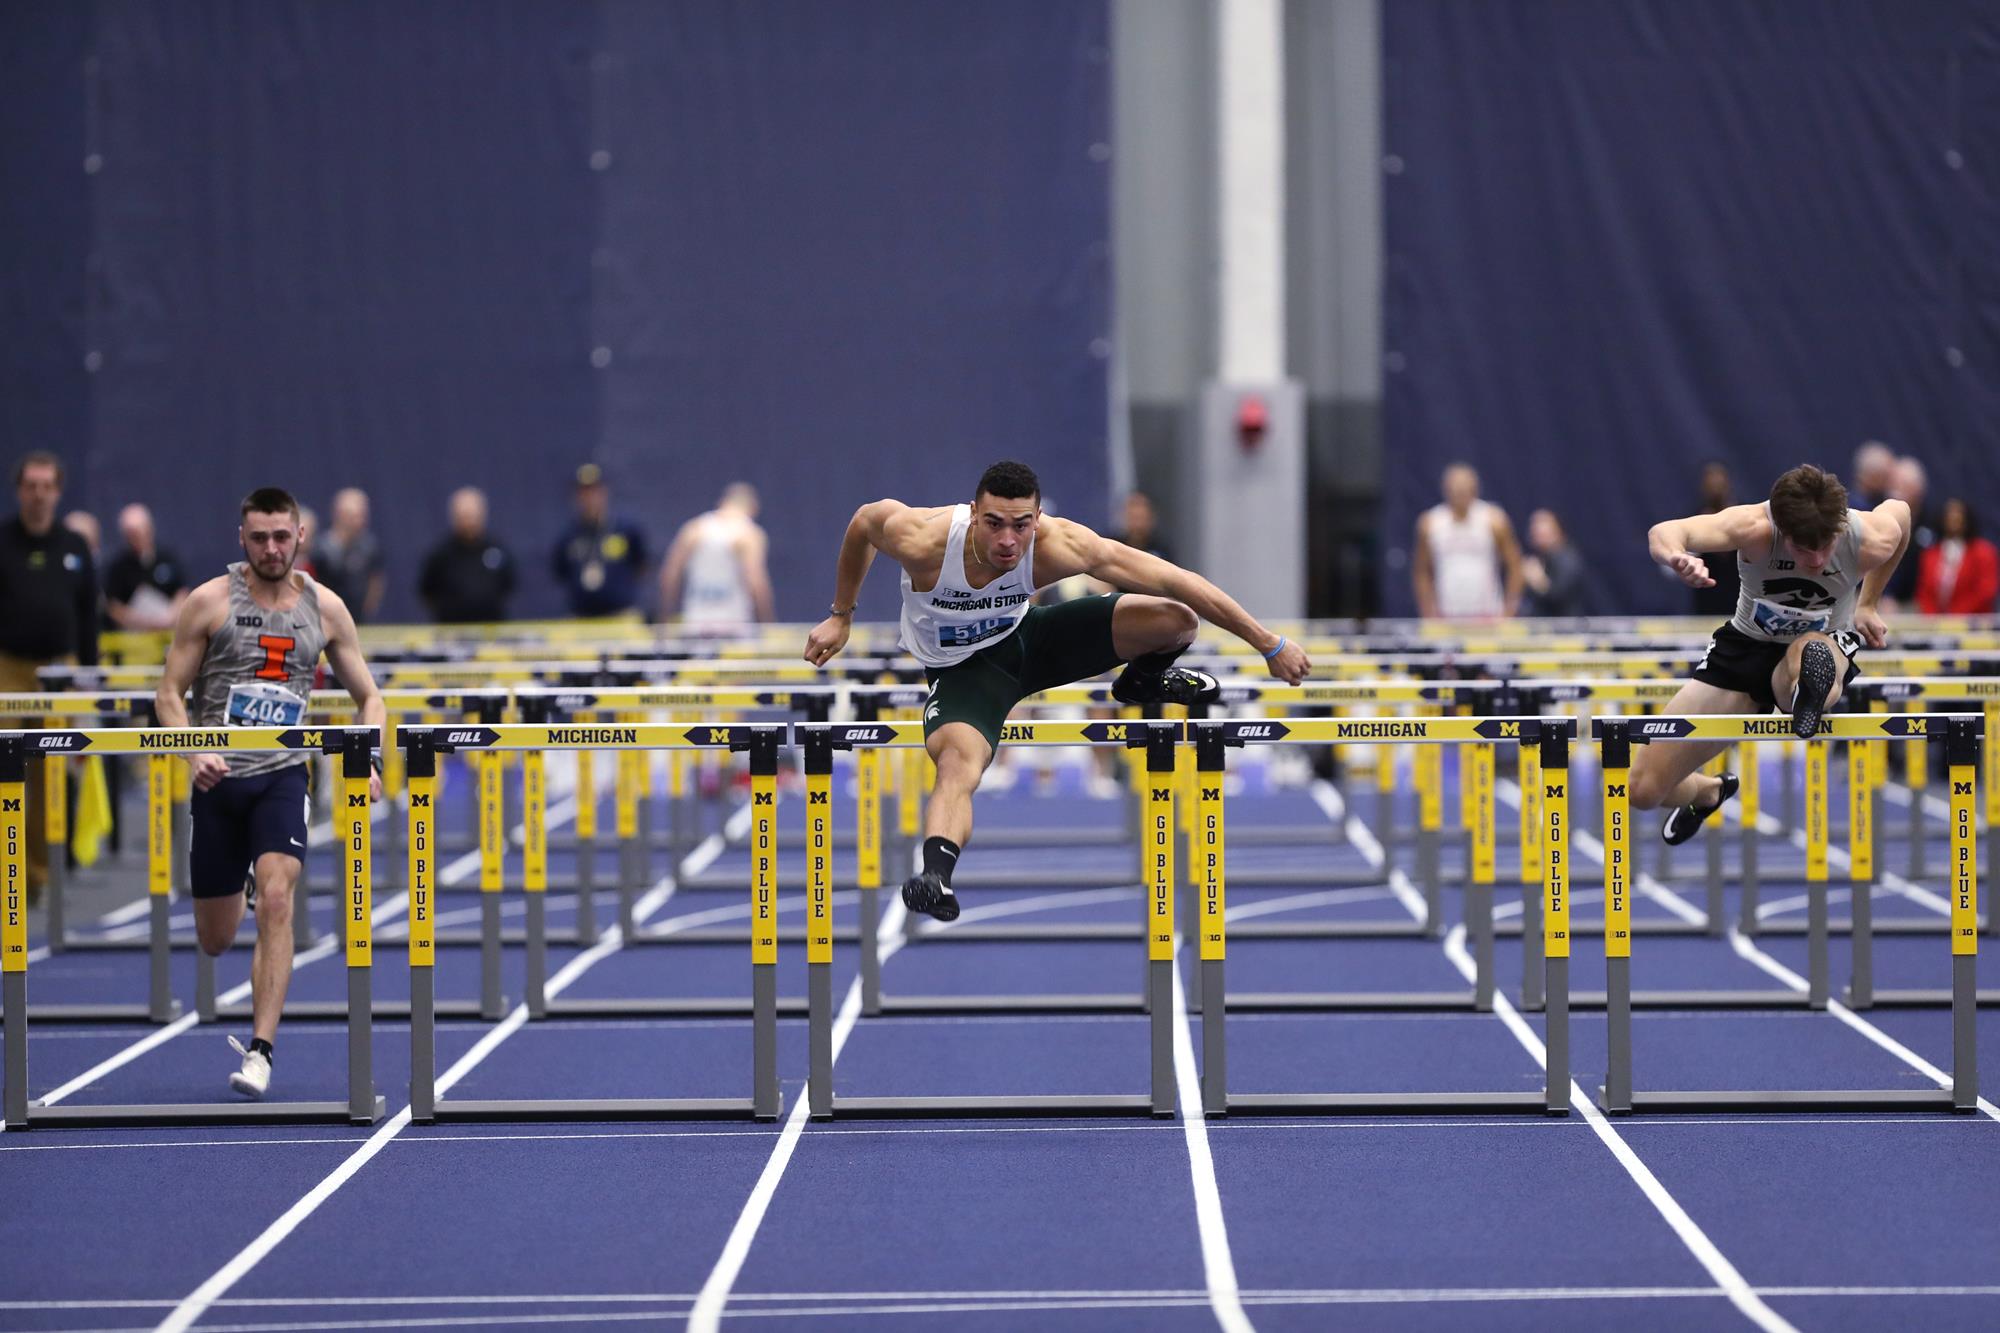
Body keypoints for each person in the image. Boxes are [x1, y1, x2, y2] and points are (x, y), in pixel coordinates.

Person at [802, 460, 1311, 922]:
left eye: (1022, 526)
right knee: (959, 763)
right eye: (995, 523)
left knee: (1175, 618)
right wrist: (840, 615)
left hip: (1031, 640)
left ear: (1038, 519)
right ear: (974, 513)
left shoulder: (1061, 545)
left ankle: (1141, 678)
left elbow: (1175, 579)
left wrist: (1266, 643)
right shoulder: (922, 540)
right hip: (965, 672)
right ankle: (936, 875)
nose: (1008, 541)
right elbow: (863, 523)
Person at [155, 487, 385, 1100]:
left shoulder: (326, 608)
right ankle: (247, 879)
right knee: (216, 939)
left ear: (301, 536)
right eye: (259, 537)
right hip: (220, 780)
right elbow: (169, 695)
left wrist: (368, 757)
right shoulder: (208, 602)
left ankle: (261, 1051)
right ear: (242, 539)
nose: (272, 548)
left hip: (284, 774)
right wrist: (192, 750)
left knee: (279, 900)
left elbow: (370, 695)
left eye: (282, 536)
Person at [1637, 464, 1910, 845]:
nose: (1816, 561)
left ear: (1839, 530)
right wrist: (1675, 556)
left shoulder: (1869, 536)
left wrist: (1868, 603)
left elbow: (1901, 512)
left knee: (1811, 652)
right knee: (1643, 790)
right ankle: (1708, 791)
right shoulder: (1755, 527)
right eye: (1803, 549)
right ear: (1782, 529)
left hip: (1823, 640)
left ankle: (1806, 694)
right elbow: (1665, 532)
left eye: (1825, 547)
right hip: (1745, 647)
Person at [0, 453, 100, 904]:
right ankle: (7, 867)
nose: (39, 494)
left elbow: (88, 615)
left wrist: (90, 674)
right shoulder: (2, 541)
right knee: (6, 768)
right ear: (19, 490)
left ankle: (37, 875)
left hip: (59, 672)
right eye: (31, 486)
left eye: (47, 486)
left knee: (48, 774)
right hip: (8, 668)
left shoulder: (74, 546)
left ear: (58, 492)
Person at [1410, 463, 1522, 619]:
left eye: (1464, 488)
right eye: (1456, 488)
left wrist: (1509, 609)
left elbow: (1515, 565)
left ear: (1474, 489)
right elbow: (1421, 571)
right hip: (1446, 615)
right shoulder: (1430, 523)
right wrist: (1428, 611)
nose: (1460, 492)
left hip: (1488, 614)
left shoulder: (1493, 519)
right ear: (1446, 489)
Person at [657, 482, 774, 631]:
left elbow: (669, 576)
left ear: (722, 503)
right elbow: (756, 581)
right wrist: (768, 624)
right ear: (752, 508)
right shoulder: (749, 534)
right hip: (734, 626)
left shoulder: (694, 529)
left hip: (696, 624)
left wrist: (664, 620)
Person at [552, 463, 648, 617]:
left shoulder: (625, 530)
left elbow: (641, 566)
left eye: (594, 491)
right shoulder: (569, 536)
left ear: (604, 492)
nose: (590, 498)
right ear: (576, 497)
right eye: (584, 492)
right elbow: (560, 572)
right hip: (581, 617)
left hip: (621, 615)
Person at [418, 487, 517, 623]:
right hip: (452, 632)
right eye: (464, 516)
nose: (469, 522)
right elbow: (427, 591)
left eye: (472, 515)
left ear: (482, 514)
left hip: (492, 630)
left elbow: (509, 585)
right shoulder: (441, 554)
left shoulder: (497, 550)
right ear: (454, 517)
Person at [104, 503, 190, 630]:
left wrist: (171, 617)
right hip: (135, 637)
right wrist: (139, 620)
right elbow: (112, 605)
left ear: (149, 529)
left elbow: (182, 592)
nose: (137, 538)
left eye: (140, 532)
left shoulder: (167, 559)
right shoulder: (118, 567)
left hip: (168, 632)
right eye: (131, 534)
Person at [313, 487, 386, 623]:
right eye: (354, 516)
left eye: (363, 516)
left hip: (358, 620)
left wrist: (367, 609)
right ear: (339, 515)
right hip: (325, 619)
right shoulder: (320, 550)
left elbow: (376, 582)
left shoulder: (369, 548)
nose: (360, 521)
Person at [1916, 498, 1999, 615]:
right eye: (1949, 514)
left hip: (1974, 623)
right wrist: (1934, 618)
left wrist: (1956, 616)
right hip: (1937, 625)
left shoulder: (1984, 552)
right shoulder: (1930, 554)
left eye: (1958, 514)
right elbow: (1924, 592)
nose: (1953, 518)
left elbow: (1986, 591)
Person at [1881, 456, 1937, 610]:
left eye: (1903, 485)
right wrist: (1884, 595)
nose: (1896, 491)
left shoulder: (1931, 522)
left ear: (1918, 488)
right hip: (1882, 598)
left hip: (1919, 601)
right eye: (1893, 484)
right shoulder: (1877, 517)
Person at [1689, 461, 1741, 618]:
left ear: (1727, 485)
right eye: (1711, 485)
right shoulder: (1693, 523)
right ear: (1704, 488)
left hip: (1741, 604)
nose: (1715, 489)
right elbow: (1675, 566)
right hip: (1707, 605)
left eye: (1719, 484)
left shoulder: (1744, 519)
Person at [1520, 509, 1589, 617]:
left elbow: (1560, 596)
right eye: (1534, 530)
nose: (1534, 532)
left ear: (1556, 530)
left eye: (1540, 532)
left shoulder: (1565, 558)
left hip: (1563, 627)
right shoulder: (1543, 558)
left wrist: (1538, 580)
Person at [1851, 441, 1895, 510]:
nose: (1891, 482)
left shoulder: (1878, 501)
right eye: (1885, 477)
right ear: (1872, 478)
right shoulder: (1860, 508)